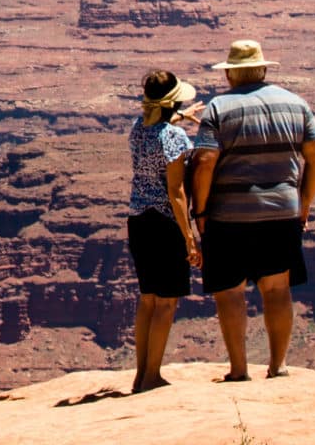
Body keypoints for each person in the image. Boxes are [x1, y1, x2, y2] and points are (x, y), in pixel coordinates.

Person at [190, 40, 315, 382]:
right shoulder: (295, 103)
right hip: (283, 212)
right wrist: (304, 201)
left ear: (231, 74)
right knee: (277, 289)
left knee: (229, 290)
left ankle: (239, 370)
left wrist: (201, 210)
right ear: (263, 68)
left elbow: (206, 161)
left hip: (228, 215)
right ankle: (278, 366)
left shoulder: (218, 108)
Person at [125, 69, 204, 393]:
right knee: (167, 302)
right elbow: (176, 192)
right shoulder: (175, 138)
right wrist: (189, 237)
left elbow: (159, 129)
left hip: (138, 221)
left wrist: (181, 116)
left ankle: (141, 374)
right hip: (164, 222)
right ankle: (153, 376)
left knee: (148, 300)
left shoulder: (136, 128)